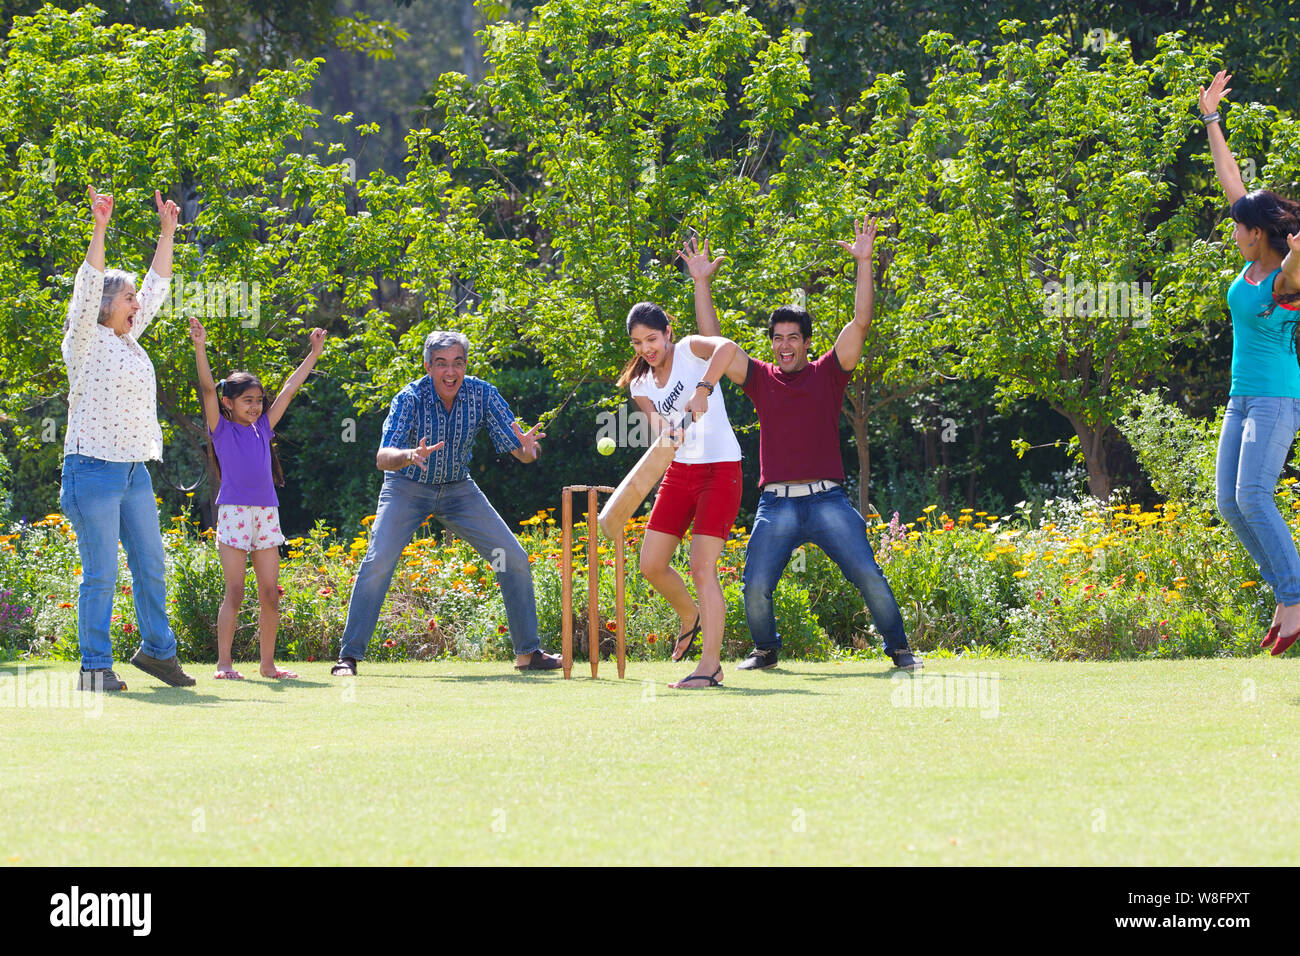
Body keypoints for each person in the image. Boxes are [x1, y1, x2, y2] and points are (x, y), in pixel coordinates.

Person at [681, 228, 922, 671]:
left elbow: (861, 324)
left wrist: (864, 263)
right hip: (777, 504)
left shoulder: (829, 372)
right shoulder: (760, 378)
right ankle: (766, 650)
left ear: (807, 342)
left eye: (793, 337)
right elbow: (715, 349)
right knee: (754, 584)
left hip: (828, 499)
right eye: (778, 337)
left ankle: (900, 650)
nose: (785, 345)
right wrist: (701, 283)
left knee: (867, 575)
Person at [331, 330, 557, 675]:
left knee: (512, 558)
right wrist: (409, 454)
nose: (450, 372)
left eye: (457, 363)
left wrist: (528, 451)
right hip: (407, 486)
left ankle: (529, 654)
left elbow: (523, 451)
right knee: (378, 561)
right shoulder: (410, 398)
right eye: (441, 364)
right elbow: (382, 456)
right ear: (428, 366)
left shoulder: (482, 394)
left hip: (457, 490)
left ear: (466, 365)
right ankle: (349, 656)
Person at [59, 186, 196, 691]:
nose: (139, 303)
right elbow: (88, 283)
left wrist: (168, 231)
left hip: (133, 470)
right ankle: (94, 668)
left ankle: (158, 653)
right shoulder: (85, 341)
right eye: (129, 297)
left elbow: (159, 283)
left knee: (151, 567)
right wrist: (99, 226)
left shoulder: (128, 340)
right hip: (91, 470)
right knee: (100, 574)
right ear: (106, 304)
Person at [1200, 71, 1300, 656]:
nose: (1232, 232)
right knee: (1230, 503)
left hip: (1276, 398)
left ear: (1259, 234)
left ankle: (1294, 599)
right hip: (1241, 398)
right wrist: (1212, 118)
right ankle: (1288, 597)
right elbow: (1232, 181)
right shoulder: (1253, 260)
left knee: (1254, 495)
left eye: (1239, 228)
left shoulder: (1288, 276)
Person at [190, 317, 326, 679]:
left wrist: (313, 354)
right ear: (228, 403)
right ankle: (224, 664)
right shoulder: (220, 429)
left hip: (267, 514)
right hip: (234, 513)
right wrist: (200, 347)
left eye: (258, 401)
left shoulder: (263, 427)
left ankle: (267, 666)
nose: (255, 406)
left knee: (270, 594)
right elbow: (206, 389)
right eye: (247, 401)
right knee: (233, 592)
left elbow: (290, 388)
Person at [617, 303, 744, 688]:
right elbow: (662, 431)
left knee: (701, 565)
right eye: (638, 343)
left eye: (652, 339)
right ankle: (691, 615)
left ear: (668, 331)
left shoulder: (690, 349)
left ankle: (710, 666)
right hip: (679, 472)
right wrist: (668, 432)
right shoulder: (640, 385)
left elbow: (728, 346)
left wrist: (704, 388)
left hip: (720, 469)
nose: (646, 348)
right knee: (651, 564)